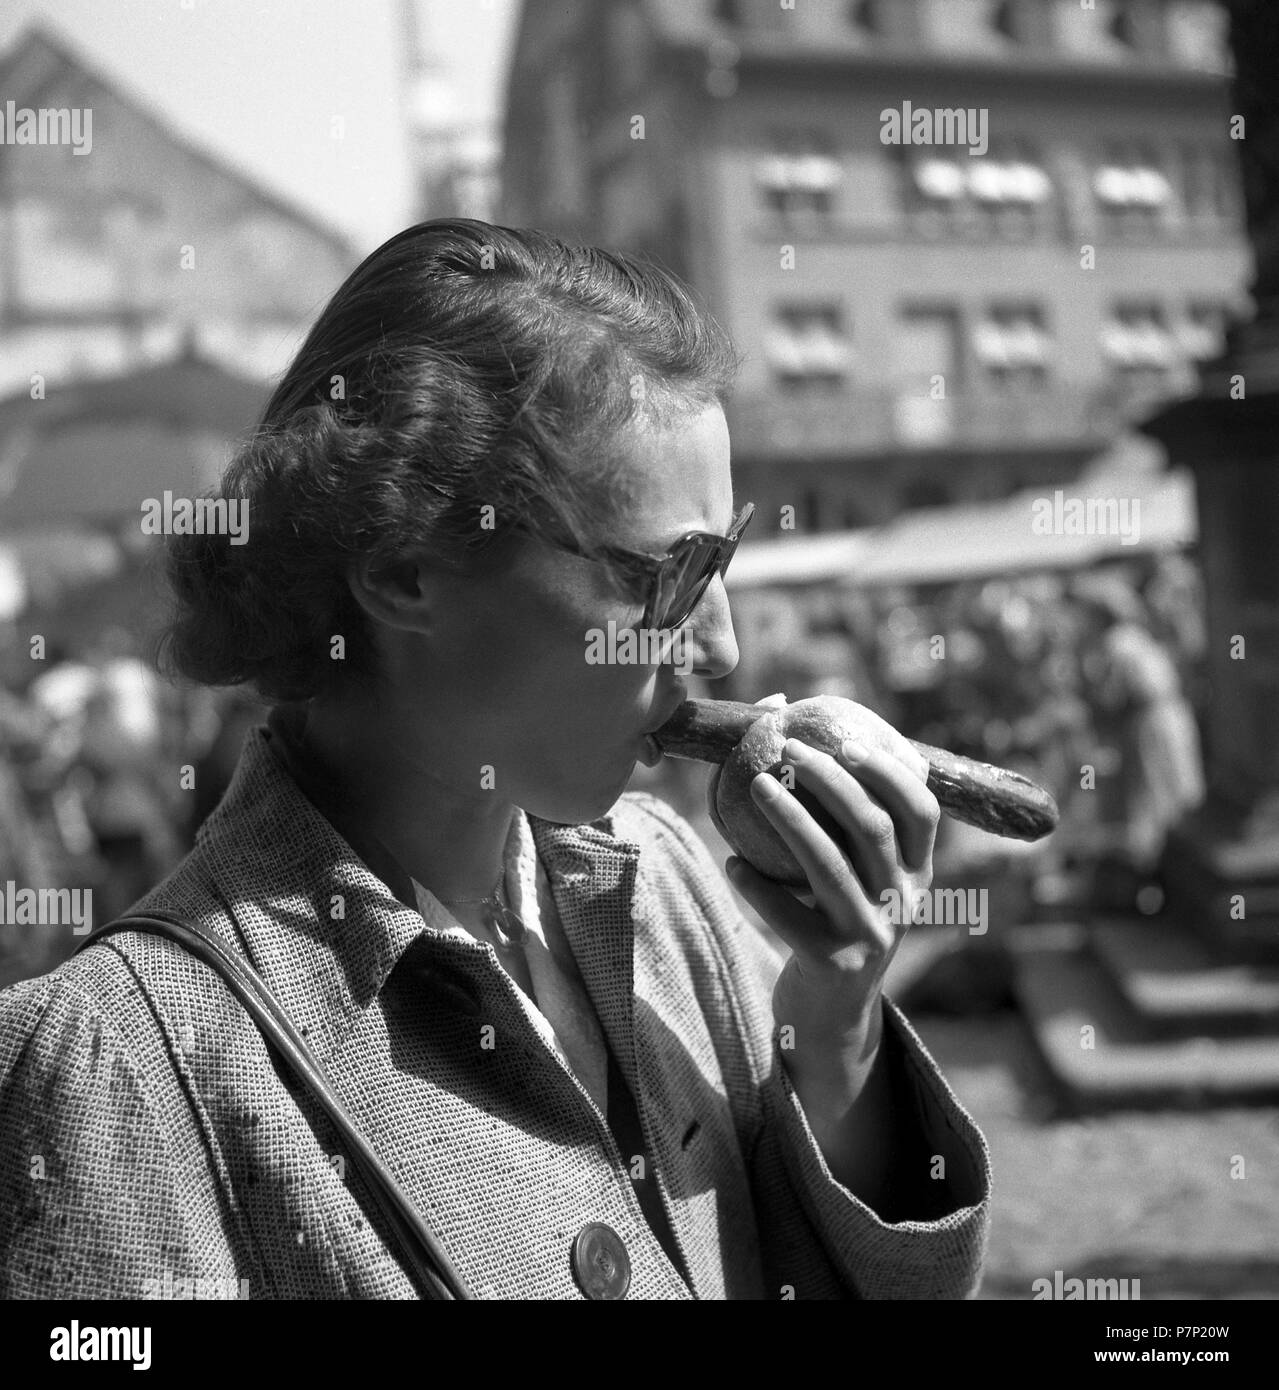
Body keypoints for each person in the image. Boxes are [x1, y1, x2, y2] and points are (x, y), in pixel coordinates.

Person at [0, 220, 989, 1300]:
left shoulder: (670, 891)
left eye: (726, 560)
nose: (724, 647)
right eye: (670, 575)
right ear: (404, 568)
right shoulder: (125, 1065)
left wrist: (835, 1027)